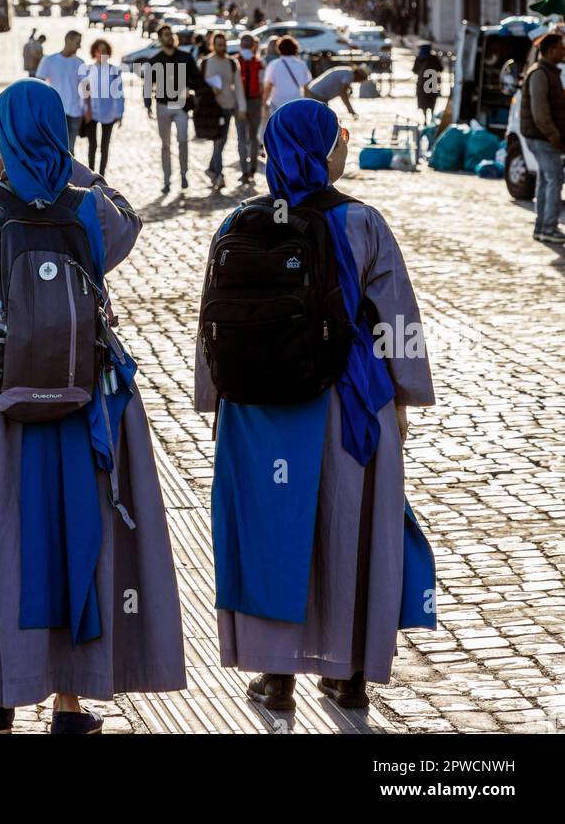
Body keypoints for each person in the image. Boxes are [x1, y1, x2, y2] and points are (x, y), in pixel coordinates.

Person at [0, 79, 187, 732]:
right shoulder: (87, 209)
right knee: (75, 536)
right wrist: (67, 166)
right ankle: (71, 701)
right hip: (81, 396)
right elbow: (127, 220)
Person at [195, 98, 436, 712]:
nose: (344, 148)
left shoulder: (237, 223)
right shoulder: (362, 223)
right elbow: (396, 318)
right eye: (338, 140)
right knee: (347, 529)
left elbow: (212, 324)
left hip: (255, 413)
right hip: (344, 399)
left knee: (272, 533)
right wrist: (403, 395)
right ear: (323, 149)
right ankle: (349, 673)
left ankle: (276, 676)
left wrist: (215, 398)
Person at [142, 24, 201, 194]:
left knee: (183, 141)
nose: (169, 37)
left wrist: (190, 89)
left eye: (170, 34)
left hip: (181, 106)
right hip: (162, 106)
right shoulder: (155, 60)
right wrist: (147, 105)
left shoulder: (185, 57)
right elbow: (147, 85)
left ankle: (184, 175)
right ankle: (166, 180)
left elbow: (197, 79)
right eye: (165, 35)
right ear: (160, 39)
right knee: (165, 145)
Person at [520, 31, 565, 243]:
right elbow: (541, 112)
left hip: (542, 136)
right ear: (550, 50)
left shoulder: (549, 72)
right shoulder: (540, 73)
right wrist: (554, 135)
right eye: (561, 47)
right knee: (554, 179)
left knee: (546, 180)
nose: (563, 51)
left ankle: (542, 226)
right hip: (542, 137)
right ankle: (548, 227)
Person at [199, 31, 247, 190]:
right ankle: (218, 175)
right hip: (212, 108)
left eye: (224, 44)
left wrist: (242, 107)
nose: (222, 47)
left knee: (222, 141)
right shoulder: (205, 63)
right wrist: (210, 89)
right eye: (219, 44)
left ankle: (212, 168)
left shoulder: (232, 63)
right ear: (213, 45)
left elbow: (238, 86)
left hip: (228, 107)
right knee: (218, 142)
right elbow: (198, 85)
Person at [35, 30, 86, 149]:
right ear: (68, 40)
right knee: (56, 147)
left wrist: (87, 109)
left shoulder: (80, 63)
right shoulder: (49, 60)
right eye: (77, 42)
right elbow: (38, 85)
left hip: (75, 111)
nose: (79, 46)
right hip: (56, 111)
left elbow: (86, 88)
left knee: (70, 150)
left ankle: (69, 168)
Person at [81, 38, 124, 177]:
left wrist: (119, 113)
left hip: (109, 113)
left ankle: (101, 175)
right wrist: (85, 110)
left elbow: (119, 94)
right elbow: (83, 92)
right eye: (99, 50)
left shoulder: (114, 71)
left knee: (104, 146)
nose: (101, 53)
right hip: (91, 113)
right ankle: (91, 174)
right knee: (92, 145)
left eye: (104, 51)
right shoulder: (88, 70)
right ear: (94, 52)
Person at [236, 34, 264, 185]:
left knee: (241, 139)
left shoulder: (235, 61)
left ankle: (244, 170)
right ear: (253, 45)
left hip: (239, 102)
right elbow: (261, 85)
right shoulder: (259, 63)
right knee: (253, 138)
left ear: (241, 45)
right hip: (255, 101)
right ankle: (252, 169)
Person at [262, 35, 312, 121]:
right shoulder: (302, 64)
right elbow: (306, 88)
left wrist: (264, 104)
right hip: (296, 103)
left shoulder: (274, 65)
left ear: (279, 49)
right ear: (295, 48)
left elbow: (268, 87)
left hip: (277, 105)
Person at [412, 44, 443, 123]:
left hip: (422, 83)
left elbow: (414, 70)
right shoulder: (433, 58)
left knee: (423, 102)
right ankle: (431, 116)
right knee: (431, 101)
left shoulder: (419, 58)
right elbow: (440, 68)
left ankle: (425, 119)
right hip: (432, 82)